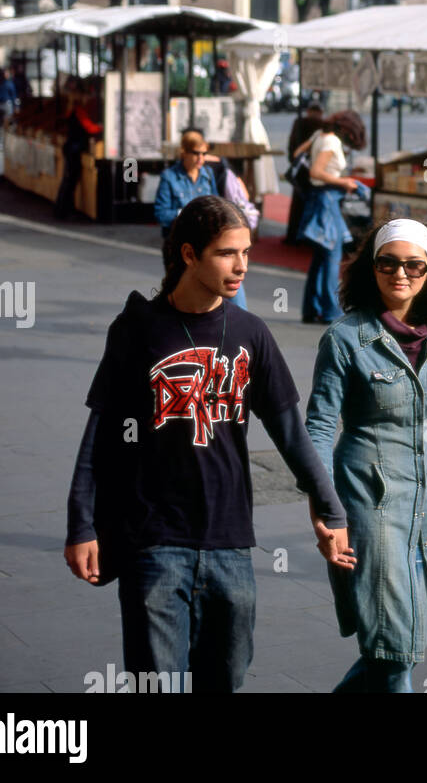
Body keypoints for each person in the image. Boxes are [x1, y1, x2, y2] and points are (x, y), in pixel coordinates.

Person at [63, 195, 354, 692]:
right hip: (153, 542)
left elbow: (291, 434)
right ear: (189, 254)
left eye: (246, 253)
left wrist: (332, 511)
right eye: (226, 253)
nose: (241, 266)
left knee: (226, 678)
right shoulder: (138, 329)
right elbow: (102, 435)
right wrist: (80, 523)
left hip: (230, 543)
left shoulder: (251, 333)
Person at [305, 217, 427, 693]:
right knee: (392, 645)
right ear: (370, 269)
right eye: (387, 263)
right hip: (369, 502)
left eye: (413, 265)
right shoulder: (345, 338)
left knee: (401, 644)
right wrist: (324, 513)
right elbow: (318, 427)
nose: (400, 274)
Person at [155, 128, 250, 309]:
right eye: (196, 153)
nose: (201, 158)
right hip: (177, 246)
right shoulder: (169, 177)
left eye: (204, 153)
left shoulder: (207, 174)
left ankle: (239, 327)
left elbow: (217, 208)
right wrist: (188, 214)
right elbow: (161, 214)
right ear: (184, 152)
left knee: (231, 292)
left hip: (210, 245)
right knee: (181, 298)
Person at [298, 110, 369, 325]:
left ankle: (311, 309)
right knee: (331, 256)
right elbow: (316, 172)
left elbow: (297, 155)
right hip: (327, 200)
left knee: (320, 257)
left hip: (318, 198)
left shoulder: (318, 135)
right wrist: (343, 182)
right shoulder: (331, 142)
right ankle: (330, 310)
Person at [54, 83, 103, 221]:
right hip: (74, 148)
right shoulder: (79, 111)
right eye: (86, 95)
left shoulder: (71, 110)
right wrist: (102, 127)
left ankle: (62, 209)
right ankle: (62, 211)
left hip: (70, 147)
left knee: (67, 179)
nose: (88, 97)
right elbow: (90, 128)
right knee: (70, 180)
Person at [283, 101, 324, 247]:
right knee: (312, 204)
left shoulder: (300, 122)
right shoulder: (321, 125)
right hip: (314, 169)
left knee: (298, 204)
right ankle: (307, 237)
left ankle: (294, 236)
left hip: (300, 168)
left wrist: (293, 160)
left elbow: (292, 145)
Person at [0, 69, 18, 146]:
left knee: (0, 125)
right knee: (6, 125)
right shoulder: (8, 83)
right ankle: (5, 141)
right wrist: (15, 107)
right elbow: (13, 96)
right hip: (6, 105)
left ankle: (0, 141)